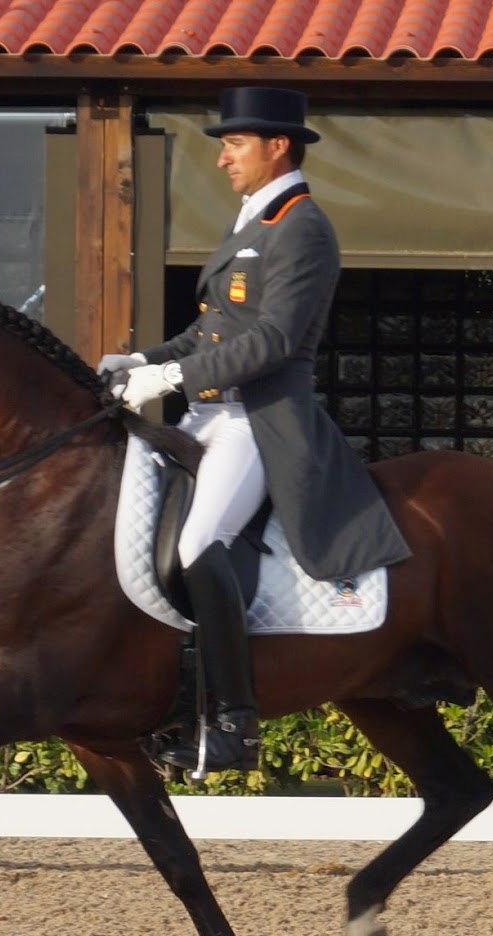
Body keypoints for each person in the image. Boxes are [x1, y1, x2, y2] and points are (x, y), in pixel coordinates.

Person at [96, 87, 412, 773]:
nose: (222, 160)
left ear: (278, 146)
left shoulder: (301, 224)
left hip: (257, 421)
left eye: (233, 145)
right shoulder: (254, 220)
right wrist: (145, 360)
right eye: (222, 146)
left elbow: (271, 342)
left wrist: (170, 381)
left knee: (198, 545)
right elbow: (212, 331)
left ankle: (235, 722)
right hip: (207, 416)